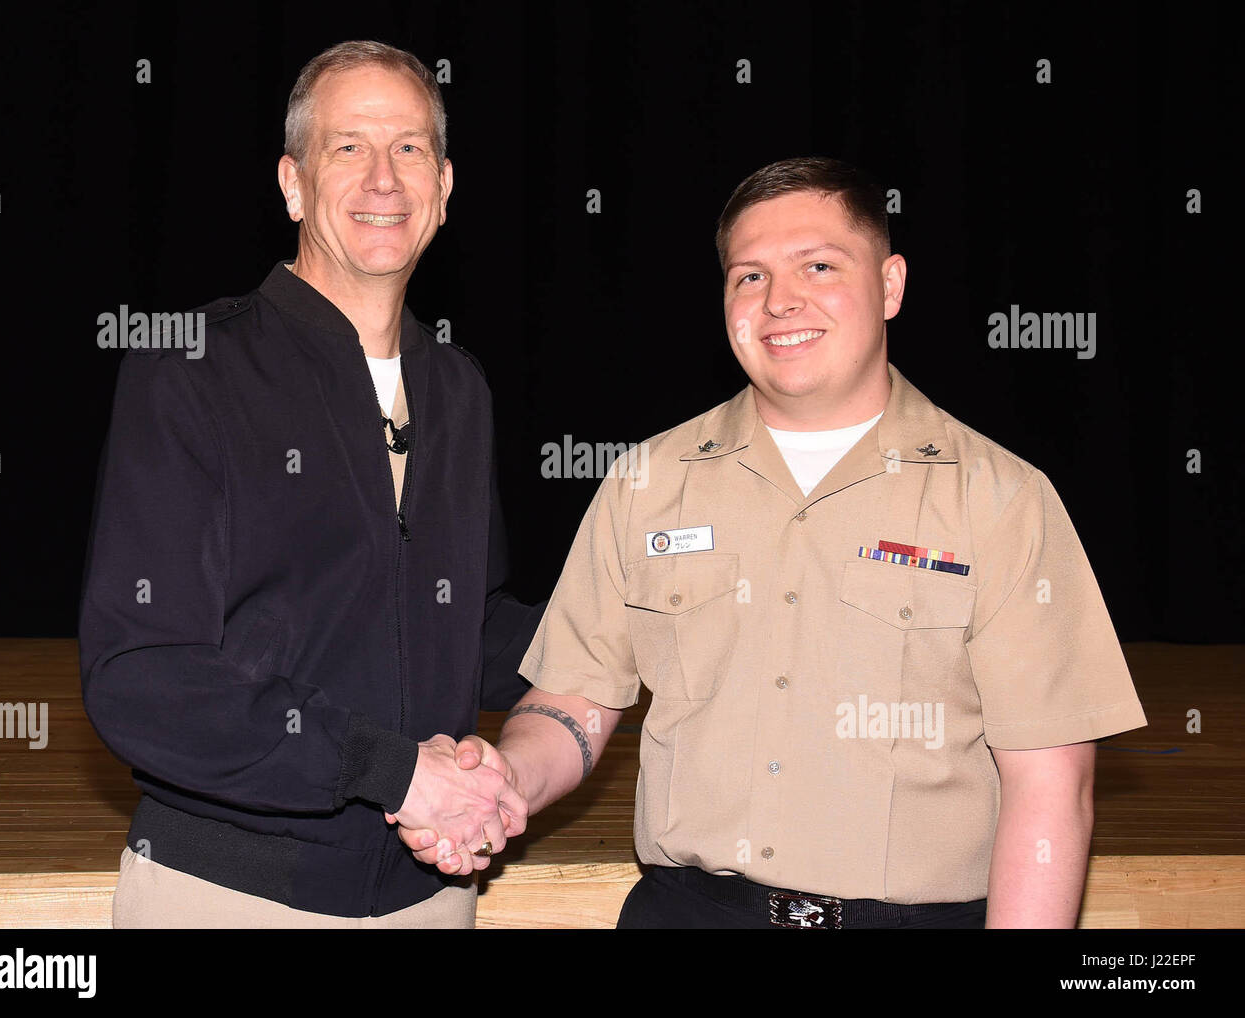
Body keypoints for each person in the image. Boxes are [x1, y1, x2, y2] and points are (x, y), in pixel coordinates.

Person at [391, 156, 1148, 929]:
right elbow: (577, 698)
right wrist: (508, 773)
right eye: (749, 276)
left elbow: (1052, 788)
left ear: (890, 285)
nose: (781, 300)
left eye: (818, 266)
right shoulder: (644, 484)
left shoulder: (1001, 499)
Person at [79, 40, 541, 929]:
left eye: (409, 148)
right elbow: (142, 676)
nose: (383, 177)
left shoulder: (459, 389)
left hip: (430, 897)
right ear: (292, 184)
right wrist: (394, 772)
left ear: (444, 189)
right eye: (347, 146)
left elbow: (466, 622)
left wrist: (622, 643)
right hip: (229, 899)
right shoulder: (193, 368)